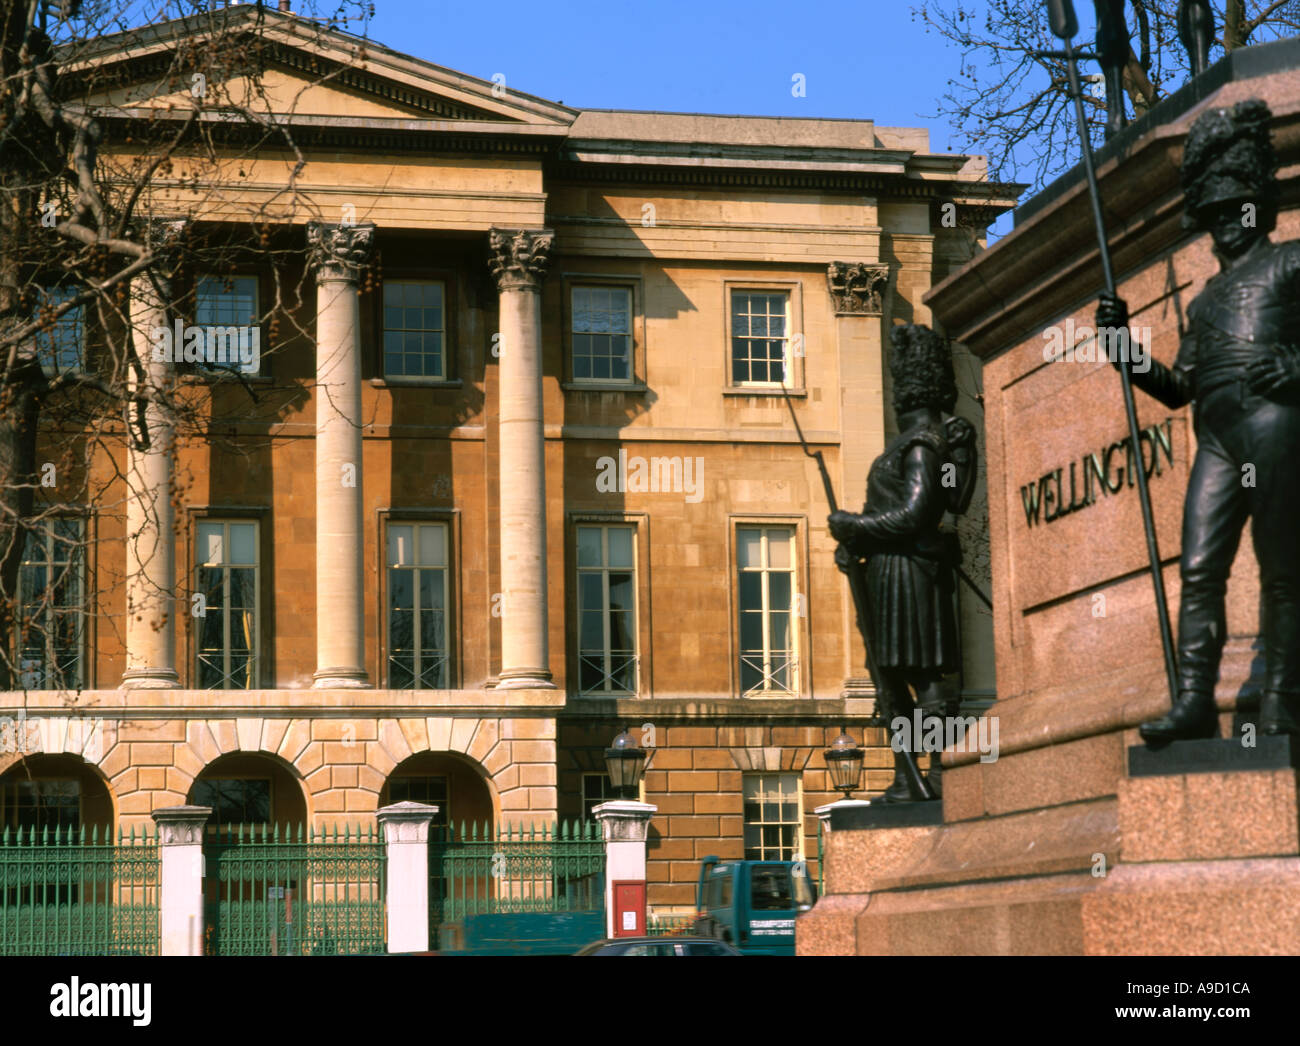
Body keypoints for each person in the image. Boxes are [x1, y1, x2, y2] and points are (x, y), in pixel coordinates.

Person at [1097, 99, 1300, 742]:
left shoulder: (1291, 262)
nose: (1226, 226)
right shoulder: (1207, 298)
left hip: (1273, 421)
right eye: (1214, 216)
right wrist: (1122, 348)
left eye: (1234, 210)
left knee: (1282, 568)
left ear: (1257, 207)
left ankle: (1280, 699)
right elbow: (1179, 385)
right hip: (1215, 434)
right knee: (1200, 567)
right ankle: (1193, 703)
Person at [828, 324, 976, 800]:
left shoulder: (921, 445)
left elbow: (920, 512)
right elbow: (940, 501)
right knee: (892, 680)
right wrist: (855, 543)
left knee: (924, 678)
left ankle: (935, 774)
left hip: (911, 570)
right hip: (889, 572)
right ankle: (906, 776)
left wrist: (855, 526)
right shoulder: (923, 443)